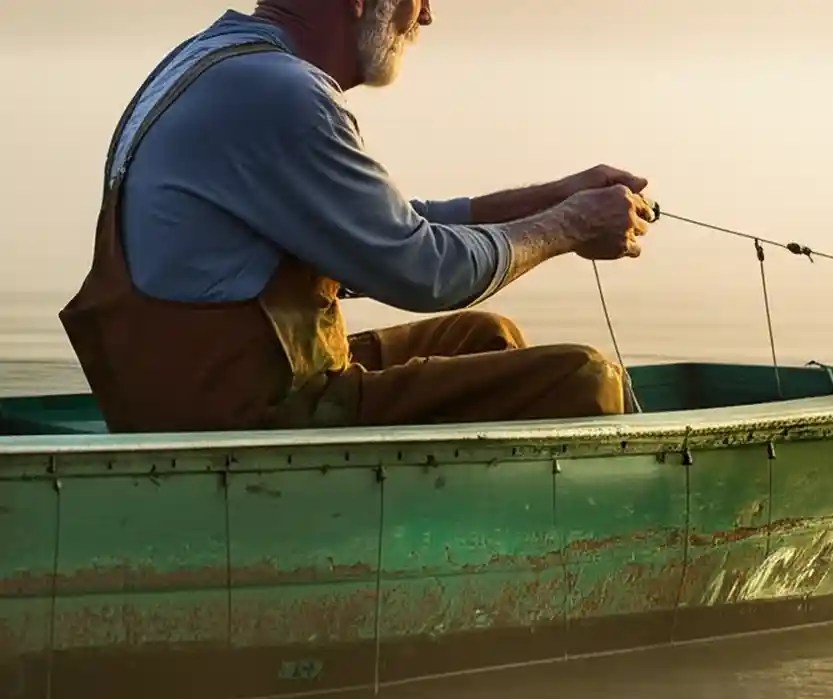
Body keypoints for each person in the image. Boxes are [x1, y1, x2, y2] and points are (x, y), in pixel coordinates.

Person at [60, 0, 656, 434]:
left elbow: (380, 237)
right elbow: (425, 273)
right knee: (585, 379)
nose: (425, 18)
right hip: (242, 419)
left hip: (190, 390)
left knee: (485, 338)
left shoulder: (215, 64)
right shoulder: (282, 95)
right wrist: (570, 226)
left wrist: (557, 197)